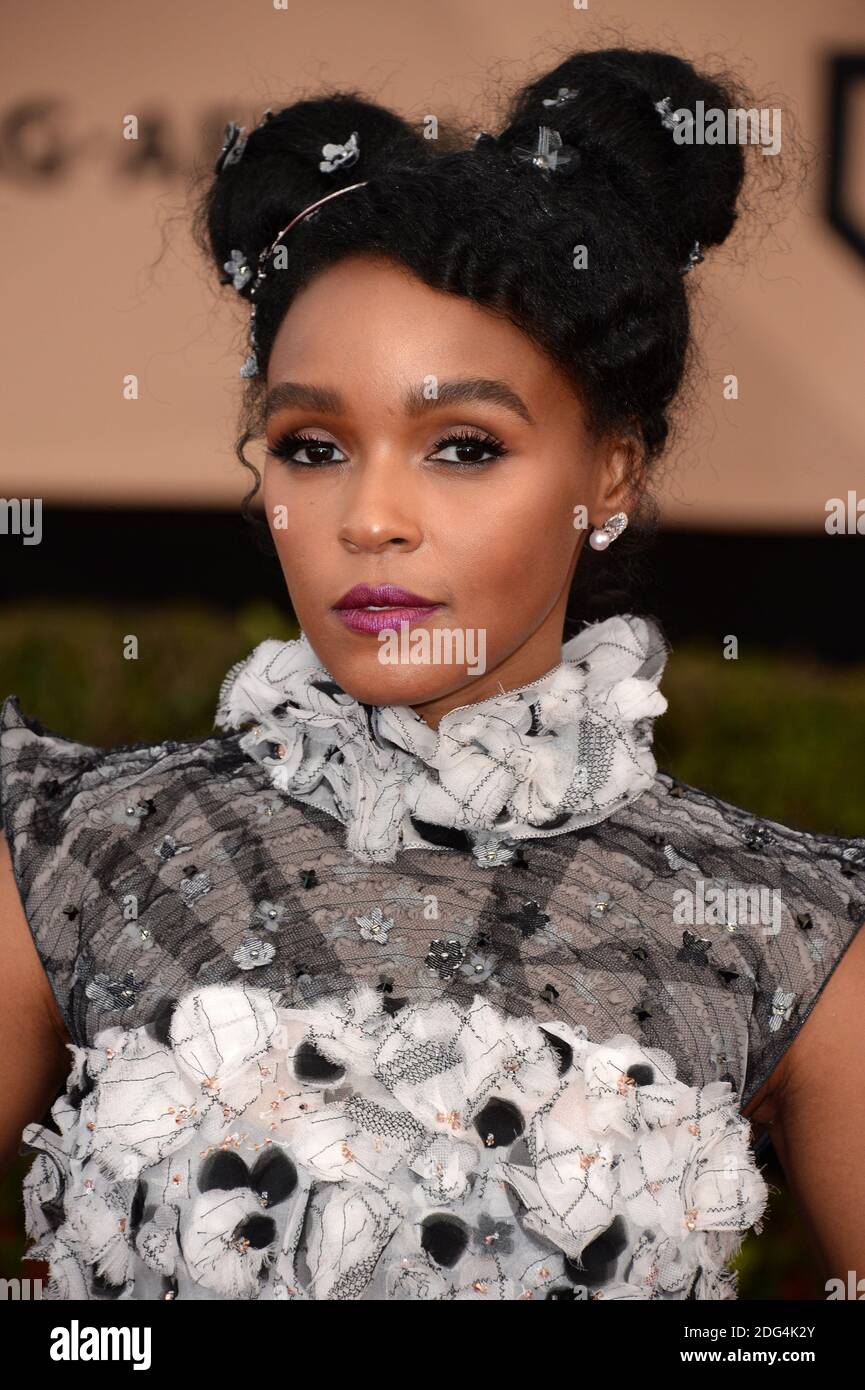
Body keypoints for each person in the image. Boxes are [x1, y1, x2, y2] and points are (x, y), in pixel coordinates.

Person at [2, 45, 864, 1302]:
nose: (371, 516)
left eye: (461, 444)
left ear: (610, 473)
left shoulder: (791, 930)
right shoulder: (69, 855)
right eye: (311, 445)